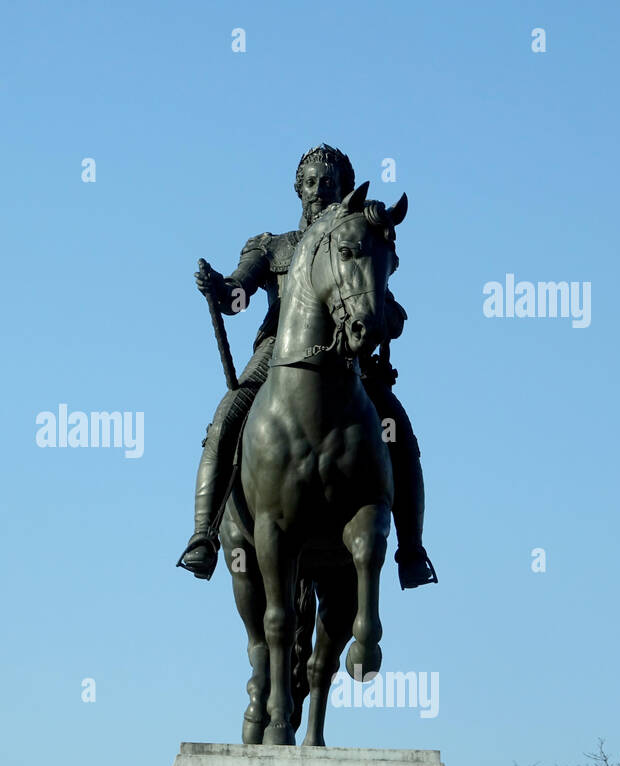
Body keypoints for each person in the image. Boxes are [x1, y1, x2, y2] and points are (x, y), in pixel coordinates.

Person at [177, 144, 437, 589]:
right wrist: (220, 288)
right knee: (226, 418)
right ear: (298, 189)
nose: (319, 190)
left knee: (397, 427)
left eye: (329, 182)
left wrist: (386, 318)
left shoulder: (355, 241)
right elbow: (239, 296)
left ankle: (410, 548)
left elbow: (383, 306)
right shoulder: (272, 246)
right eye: (311, 182)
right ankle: (204, 535)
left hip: (347, 356)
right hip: (280, 354)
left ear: (345, 190)